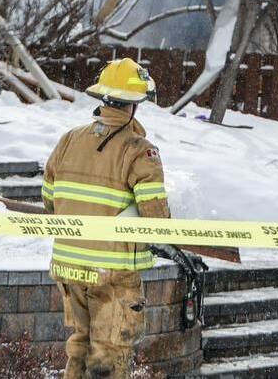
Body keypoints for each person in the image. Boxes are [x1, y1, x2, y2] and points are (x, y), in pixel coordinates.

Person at [42, 58, 172, 379]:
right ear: (134, 106)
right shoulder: (139, 150)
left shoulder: (69, 139)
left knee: (79, 348)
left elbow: (49, 201)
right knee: (109, 357)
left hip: (70, 265)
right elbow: (155, 217)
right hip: (113, 271)